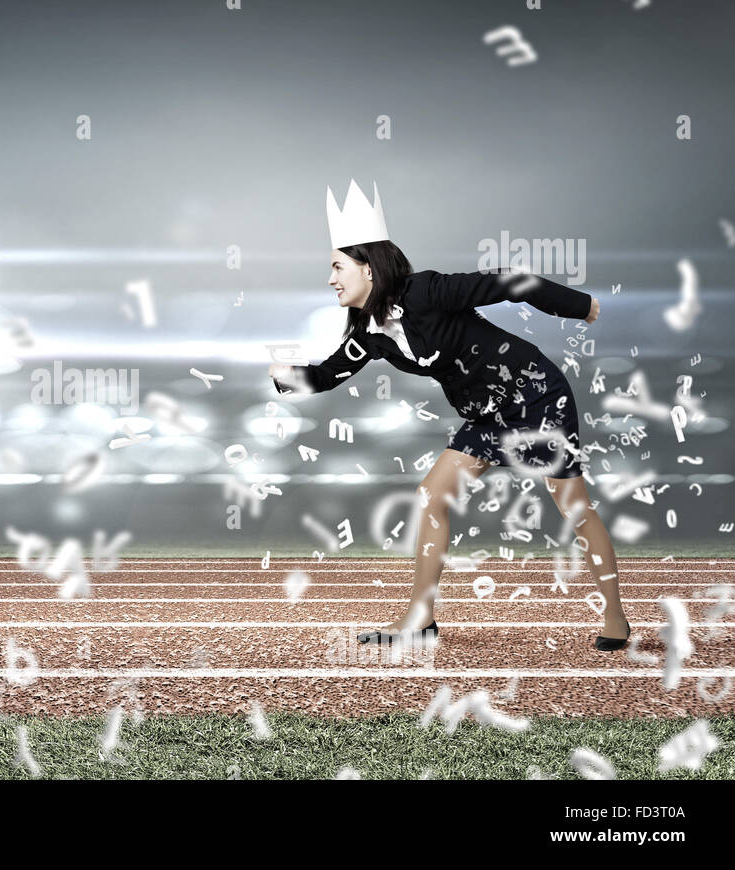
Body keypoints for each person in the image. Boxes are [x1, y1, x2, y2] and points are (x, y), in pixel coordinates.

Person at [269, 179, 629, 652]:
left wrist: (579, 305)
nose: (331, 278)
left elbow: (508, 282)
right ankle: (420, 620)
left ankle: (616, 619)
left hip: (534, 393)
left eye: (338, 266)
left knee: (572, 506)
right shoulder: (369, 335)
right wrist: (285, 375)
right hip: (485, 414)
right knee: (431, 496)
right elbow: (327, 375)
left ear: (368, 268)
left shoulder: (427, 291)